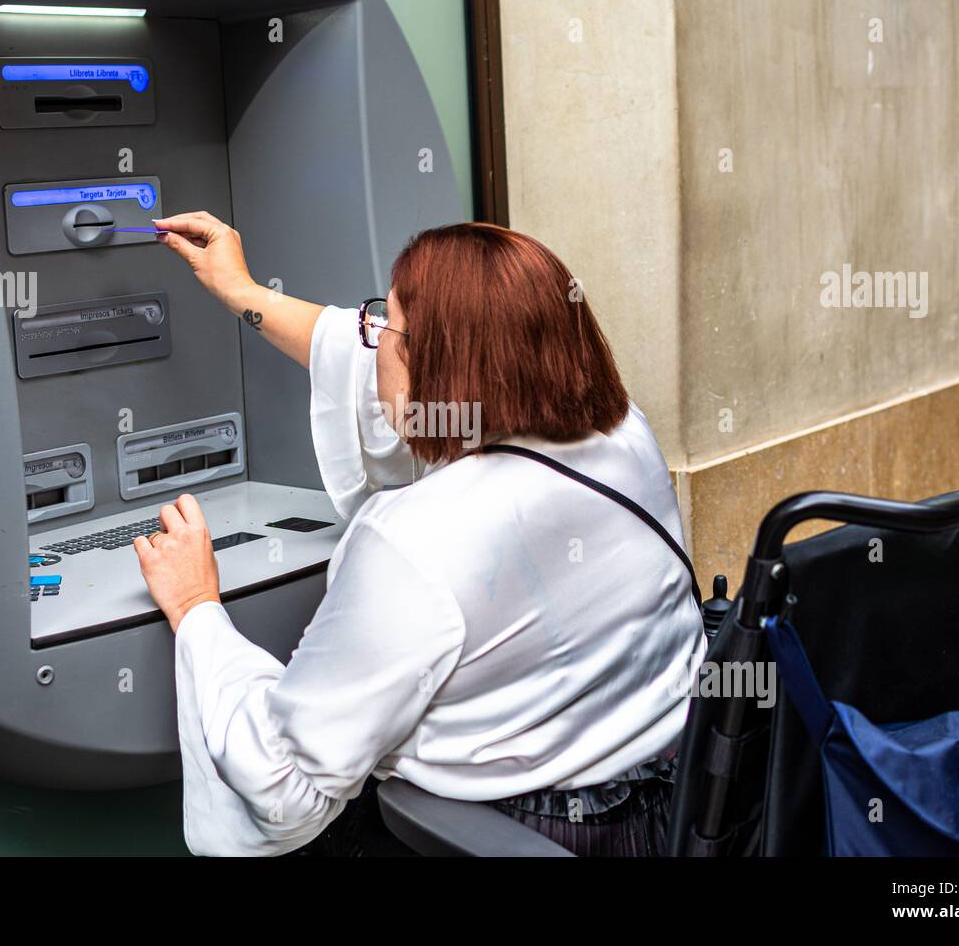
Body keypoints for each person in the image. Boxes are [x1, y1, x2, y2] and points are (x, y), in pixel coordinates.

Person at [133, 211, 705, 856]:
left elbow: (283, 783)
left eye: (389, 328)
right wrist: (244, 293)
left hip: (495, 838)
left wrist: (197, 610)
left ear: (439, 368)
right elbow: (358, 355)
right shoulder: (626, 435)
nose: (371, 340)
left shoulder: (412, 540)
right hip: (671, 815)